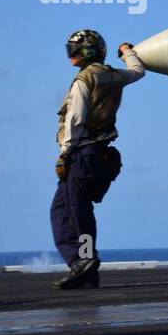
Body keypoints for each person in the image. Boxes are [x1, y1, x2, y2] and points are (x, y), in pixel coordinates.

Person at [50, 30, 145, 290]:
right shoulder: (115, 76)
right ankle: (83, 267)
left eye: (75, 49)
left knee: (77, 212)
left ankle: (85, 260)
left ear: (88, 50)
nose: (72, 54)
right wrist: (128, 52)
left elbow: (75, 120)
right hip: (100, 154)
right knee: (63, 209)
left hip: (82, 154)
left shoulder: (84, 80)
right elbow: (138, 71)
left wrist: (65, 153)